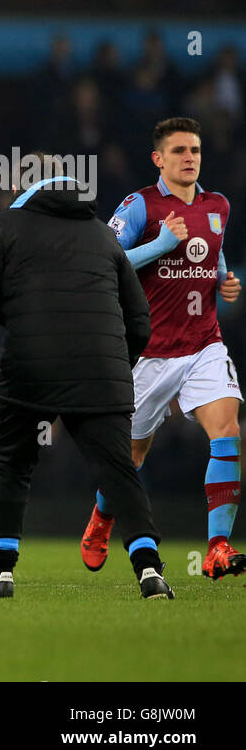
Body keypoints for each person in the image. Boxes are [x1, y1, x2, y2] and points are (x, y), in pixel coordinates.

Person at [0, 158, 174, 600]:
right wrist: (114, 369)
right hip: (101, 372)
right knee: (119, 470)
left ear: (26, 192)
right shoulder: (104, 236)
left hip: (32, 366)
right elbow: (140, 319)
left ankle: (0, 575)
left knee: (12, 463)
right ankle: (150, 572)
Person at [81, 117, 245, 580]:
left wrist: (223, 280)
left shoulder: (219, 205)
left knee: (228, 429)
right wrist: (161, 243)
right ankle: (102, 518)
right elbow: (106, 261)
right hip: (148, 353)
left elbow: (214, 253)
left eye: (194, 150)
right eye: (178, 151)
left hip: (203, 344)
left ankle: (217, 546)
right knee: (130, 456)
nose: (189, 158)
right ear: (158, 159)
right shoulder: (140, 206)